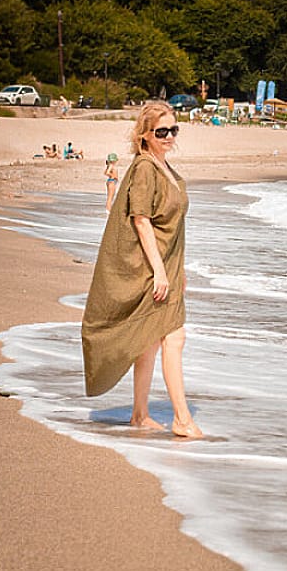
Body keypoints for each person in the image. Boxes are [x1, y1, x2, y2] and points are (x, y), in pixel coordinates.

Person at [81, 105, 203, 438]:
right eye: (161, 132)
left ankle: (139, 414)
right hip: (150, 268)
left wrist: (179, 270)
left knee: (149, 342)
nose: (168, 137)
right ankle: (181, 418)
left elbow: (173, 228)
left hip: (166, 267)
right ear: (144, 135)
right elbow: (141, 220)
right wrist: (161, 273)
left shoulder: (164, 167)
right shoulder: (146, 168)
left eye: (173, 131)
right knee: (174, 337)